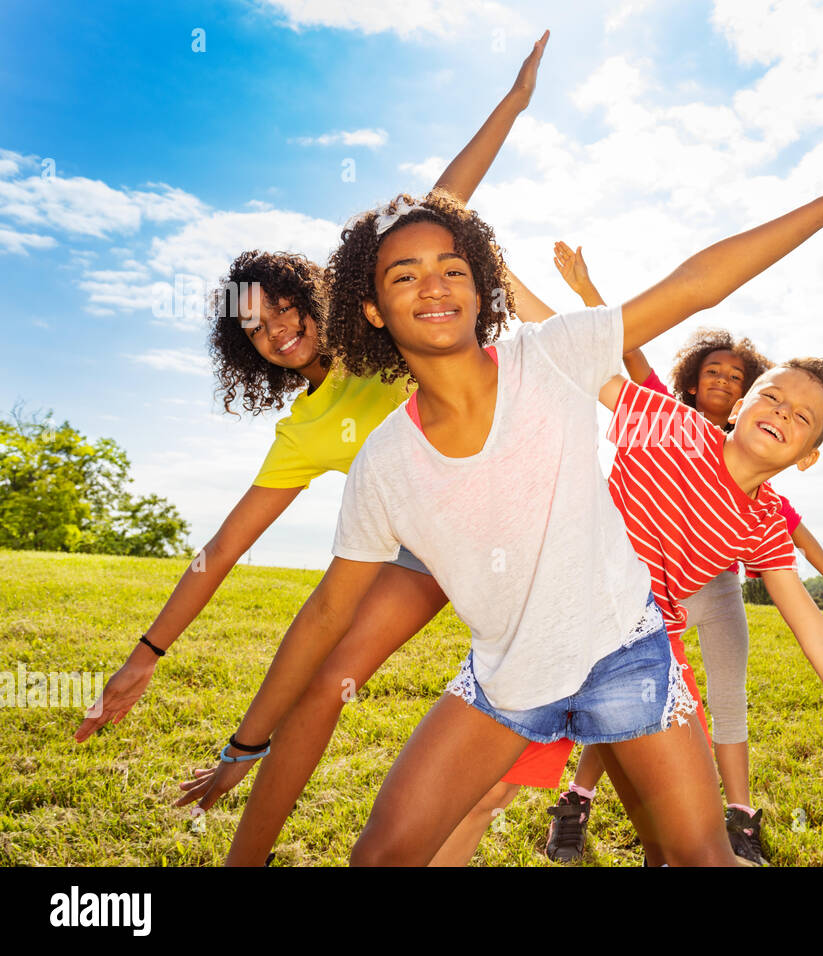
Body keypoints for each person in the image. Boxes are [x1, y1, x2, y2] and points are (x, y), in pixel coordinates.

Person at [176, 147, 823, 867]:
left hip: (628, 657)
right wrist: (246, 740)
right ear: (371, 310)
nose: (433, 285)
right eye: (406, 275)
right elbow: (328, 616)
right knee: (381, 854)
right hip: (508, 682)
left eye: (453, 268)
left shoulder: (551, 356)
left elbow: (695, 284)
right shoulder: (385, 464)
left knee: (694, 853)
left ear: (481, 289)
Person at [72, 32, 551, 748]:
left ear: (311, 295)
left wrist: (512, 105)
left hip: (523, 494)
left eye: (283, 307)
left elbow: (445, 201)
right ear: (248, 350)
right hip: (432, 545)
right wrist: (145, 658)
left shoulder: (384, 329)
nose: (277, 330)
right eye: (257, 329)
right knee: (327, 674)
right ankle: (245, 756)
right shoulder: (304, 431)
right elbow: (223, 549)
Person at [540, 241, 823, 864]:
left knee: (707, 698)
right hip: (602, 597)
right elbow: (612, 352)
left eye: (737, 376)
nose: (726, 383)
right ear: (699, 384)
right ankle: (581, 798)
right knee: (498, 777)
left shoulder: (765, 504)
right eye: (714, 374)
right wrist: (584, 296)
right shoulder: (670, 420)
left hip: (695, 591)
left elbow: (792, 541)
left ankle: (732, 815)